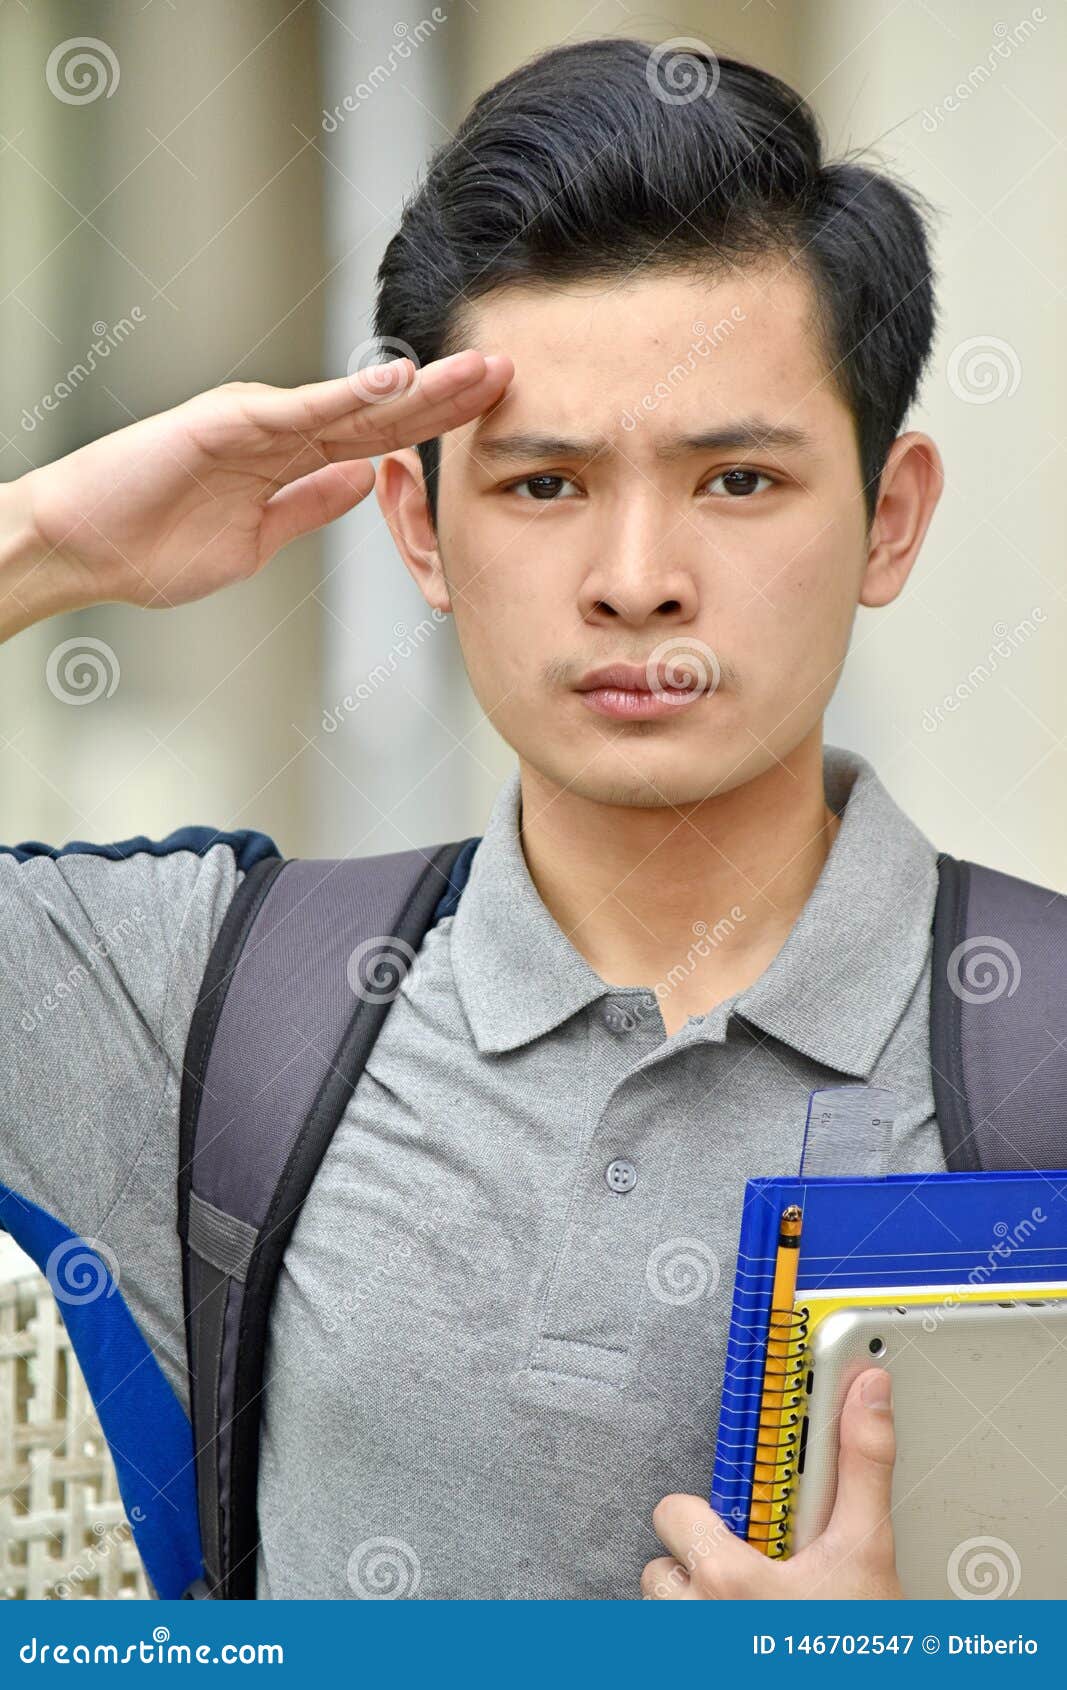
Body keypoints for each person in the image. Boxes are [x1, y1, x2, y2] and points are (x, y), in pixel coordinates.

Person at [0, 36, 948, 1600]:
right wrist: (46, 537)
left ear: (887, 515)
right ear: (417, 530)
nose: (635, 576)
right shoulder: (208, 1007)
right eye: (541, 484)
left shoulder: (1029, 1034)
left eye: (735, 481)